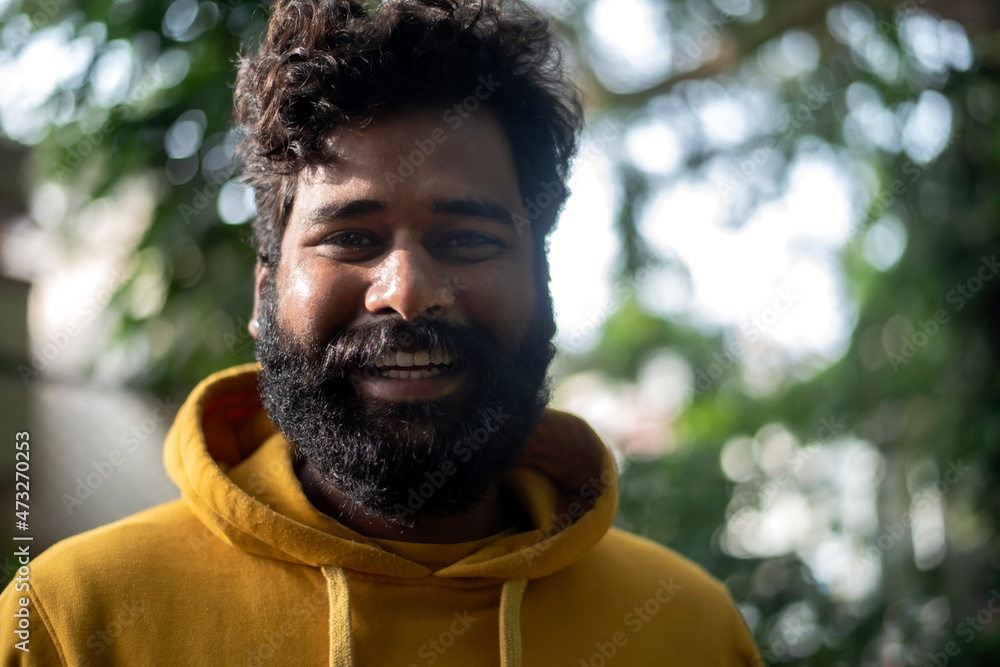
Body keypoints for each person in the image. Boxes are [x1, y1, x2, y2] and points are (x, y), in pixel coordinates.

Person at [1, 0, 762, 664]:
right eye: (351, 238)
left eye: (467, 240)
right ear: (265, 291)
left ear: (544, 284)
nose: (407, 294)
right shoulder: (71, 621)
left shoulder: (688, 630)